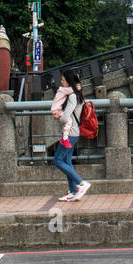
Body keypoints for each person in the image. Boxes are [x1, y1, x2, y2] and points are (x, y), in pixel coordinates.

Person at [51, 70, 91, 202]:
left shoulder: (73, 96)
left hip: (71, 133)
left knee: (58, 160)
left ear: (69, 81)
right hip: (74, 132)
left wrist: (58, 116)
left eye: (63, 80)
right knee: (67, 162)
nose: (61, 83)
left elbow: (66, 117)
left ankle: (81, 183)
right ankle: (73, 191)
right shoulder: (78, 94)